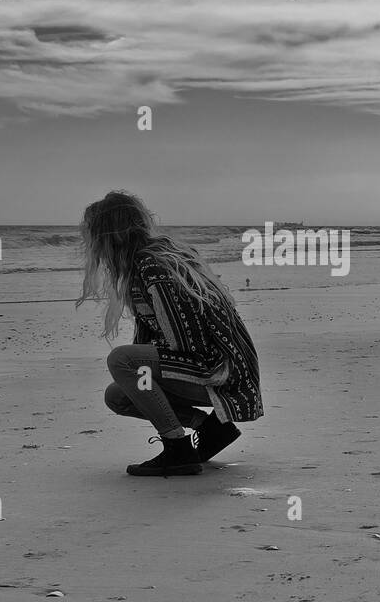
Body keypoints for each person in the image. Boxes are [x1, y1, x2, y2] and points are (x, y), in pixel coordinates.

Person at [76, 191, 264, 477]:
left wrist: (141, 362)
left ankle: (177, 448)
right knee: (119, 395)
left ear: (110, 235)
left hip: (219, 371)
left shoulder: (153, 265)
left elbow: (186, 342)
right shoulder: (146, 262)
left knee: (121, 360)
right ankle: (209, 428)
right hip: (212, 365)